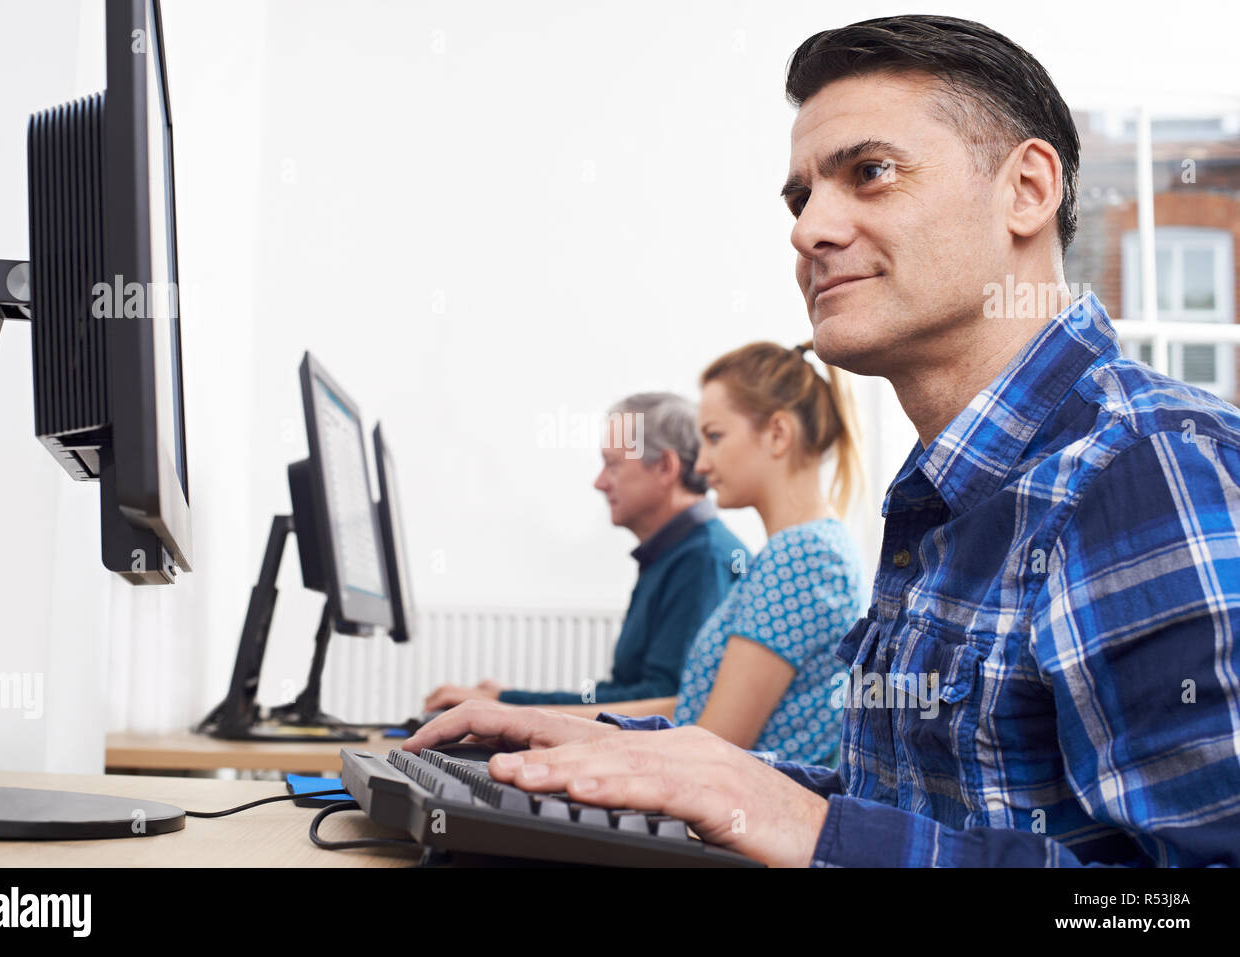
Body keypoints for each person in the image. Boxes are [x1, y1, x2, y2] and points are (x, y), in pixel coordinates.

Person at [406, 15, 1240, 867]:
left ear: (1027, 190)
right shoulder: (948, 493)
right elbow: (900, 812)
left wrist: (807, 826)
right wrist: (639, 750)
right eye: (801, 197)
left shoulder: (1149, 463)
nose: (808, 231)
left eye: (870, 173)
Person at [545, 341, 866, 765]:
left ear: (778, 434)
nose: (700, 465)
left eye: (715, 438)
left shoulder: (801, 556)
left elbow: (712, 747)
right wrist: (541, 721)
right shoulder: (800, 551)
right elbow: (690, 712)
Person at [424, 392, 745, 711]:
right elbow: (629, 692)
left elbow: (658, 705)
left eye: (612, 465)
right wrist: (509, 699)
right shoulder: (677, 553)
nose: (599, 482)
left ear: (664, 466)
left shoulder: (704, 560)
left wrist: (507, 704)